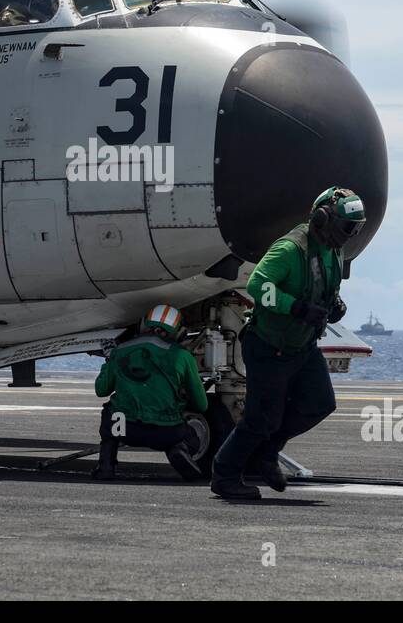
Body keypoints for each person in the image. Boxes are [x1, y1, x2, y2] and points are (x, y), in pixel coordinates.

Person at [211, 187, 365, 501]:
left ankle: (267, 453)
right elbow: (258, 284)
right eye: (347, 227)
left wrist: (335, 305)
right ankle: (224, 475)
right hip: (268, 346)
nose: (349, 235)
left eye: (354, 229)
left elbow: (323, 286)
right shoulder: (289, 249)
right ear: (323, 219)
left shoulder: (333, 249)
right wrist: (295, 307)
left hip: (302, 346)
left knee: (320, 403)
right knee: (260, 418)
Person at [93, 305, 209, 481]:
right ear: (179, 333)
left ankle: (105, 466)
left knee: (110, 413)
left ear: (142, 325)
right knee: (187, 436)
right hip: (165, 432)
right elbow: (201, 404)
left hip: (124, 430)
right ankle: (178, 449)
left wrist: (110, 359)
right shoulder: (182, 356)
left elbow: (101, 390)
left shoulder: (119, 351)